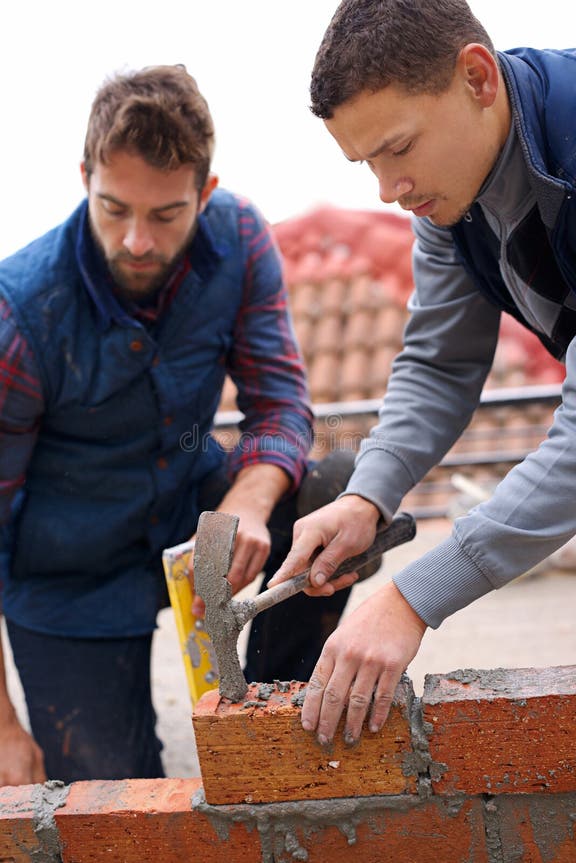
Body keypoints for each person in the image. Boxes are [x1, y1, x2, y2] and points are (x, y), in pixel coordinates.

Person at [0, 65, 358, 785]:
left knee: (340, 483)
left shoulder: (242, 237)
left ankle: (276, 725)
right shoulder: (19, 312)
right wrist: (2, 727)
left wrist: (246, 504)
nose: (136, 240)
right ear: (84, 177)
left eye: (166, 215)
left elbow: (281, 402)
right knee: (113, 802)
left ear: (206, 194)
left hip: (191, 519)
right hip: (67, 577)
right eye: (114, 208)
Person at [269, 0, 576, 748]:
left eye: (397, 147)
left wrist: (411, 596)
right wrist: (368, 495)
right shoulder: (449, 202)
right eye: (366, 161)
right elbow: (439, 364)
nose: (386, 188)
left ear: (476, 78)